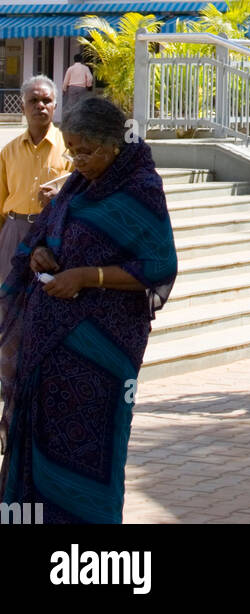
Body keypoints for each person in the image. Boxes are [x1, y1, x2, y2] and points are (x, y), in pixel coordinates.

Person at [0, 96, 177, 522]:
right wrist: (39, 253)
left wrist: (86, 276)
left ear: (114, 144)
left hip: (100, 357)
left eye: (86, 150)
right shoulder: (77, 186)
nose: (77, 159)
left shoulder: (140, 189)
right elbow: (39, 238)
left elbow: (159, 264)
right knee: (41, 446)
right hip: (48, 352)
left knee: (88, 450)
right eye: (72, 149)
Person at [0, 78, 70, 312]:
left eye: (46, 101)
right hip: (14, 230)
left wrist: (60, 196)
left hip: (53, 234)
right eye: (33, 101)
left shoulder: (70, 147)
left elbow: (84, 192)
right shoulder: (8, 151)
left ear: (55, 107)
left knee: (47, 304)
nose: (40, 105)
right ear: (23, 107)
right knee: (9, 304)